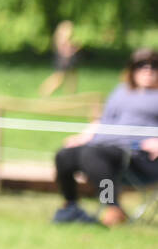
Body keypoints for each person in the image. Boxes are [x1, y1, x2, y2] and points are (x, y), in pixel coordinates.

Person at [52, 48, 158, 226]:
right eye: (141, 65)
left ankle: (111, 205)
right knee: (65, 155)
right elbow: (103, 121)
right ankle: (70, 206)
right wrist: (83, 137)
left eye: (154, 66)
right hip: (104, 147)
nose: (148, 70)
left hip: (138, 156)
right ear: (132, 69)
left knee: (92, 154)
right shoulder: (120, 91)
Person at [39, 20, 81, 97]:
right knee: (59, 78)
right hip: (63, 60)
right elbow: (65, 51)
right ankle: (44, 92)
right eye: (69, 28)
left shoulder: (64, 39)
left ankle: (70, 96)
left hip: (67, 60)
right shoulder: (62, 39)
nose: (71, 30)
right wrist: (73, 48)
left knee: (72, 77)